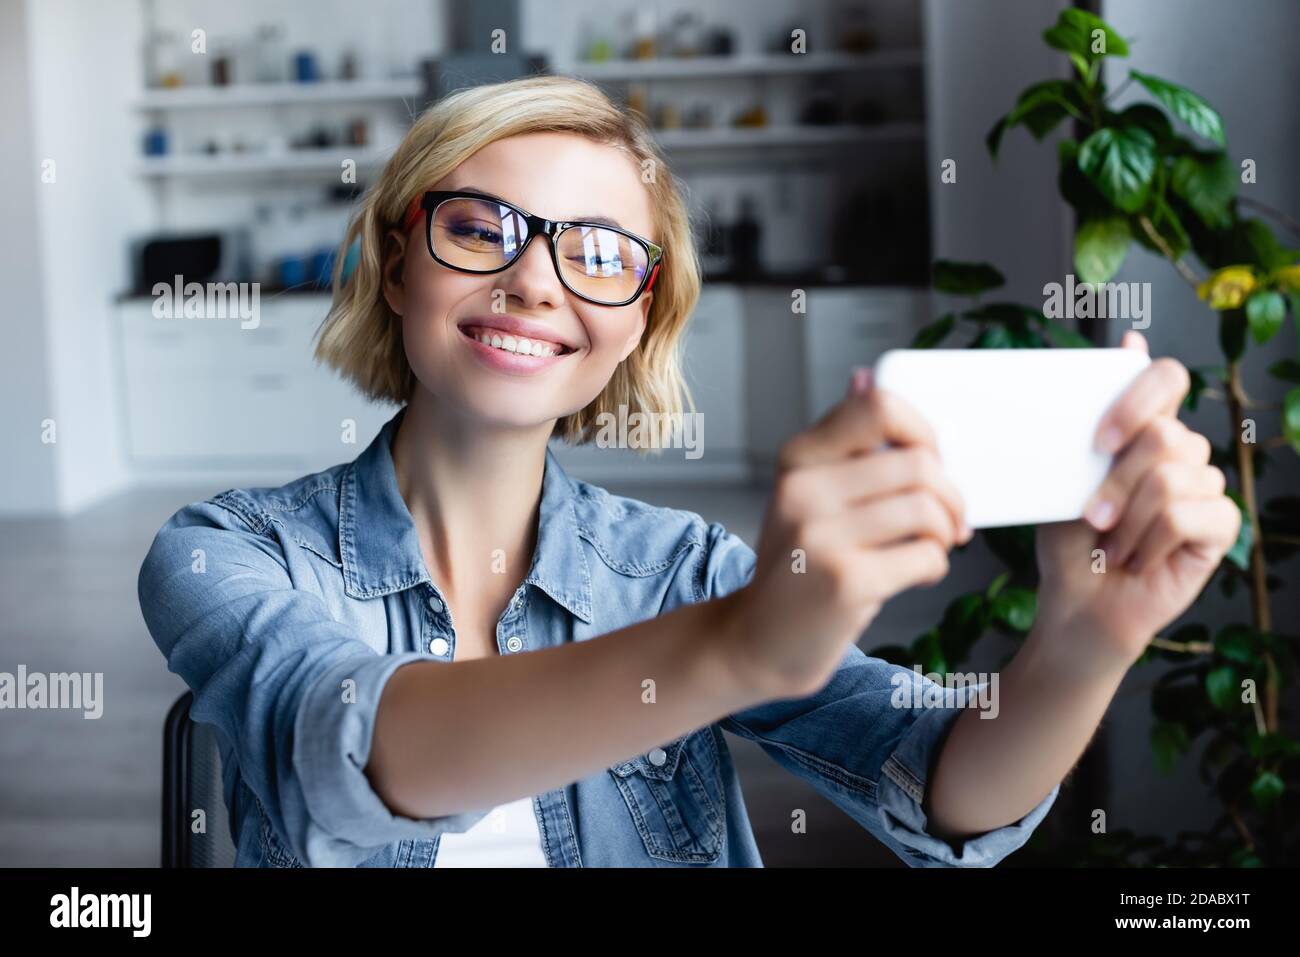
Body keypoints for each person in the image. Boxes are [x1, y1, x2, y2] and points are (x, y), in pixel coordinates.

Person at [138, 75, 1239, 868]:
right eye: (480, 230)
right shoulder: (225, 553)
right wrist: (742, 645)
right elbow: (362, 751)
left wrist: (1087, 639)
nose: (534, 283)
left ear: (639, 322)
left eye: (601, 255)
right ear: (394, 264)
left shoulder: (684, 572)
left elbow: (945, 787)